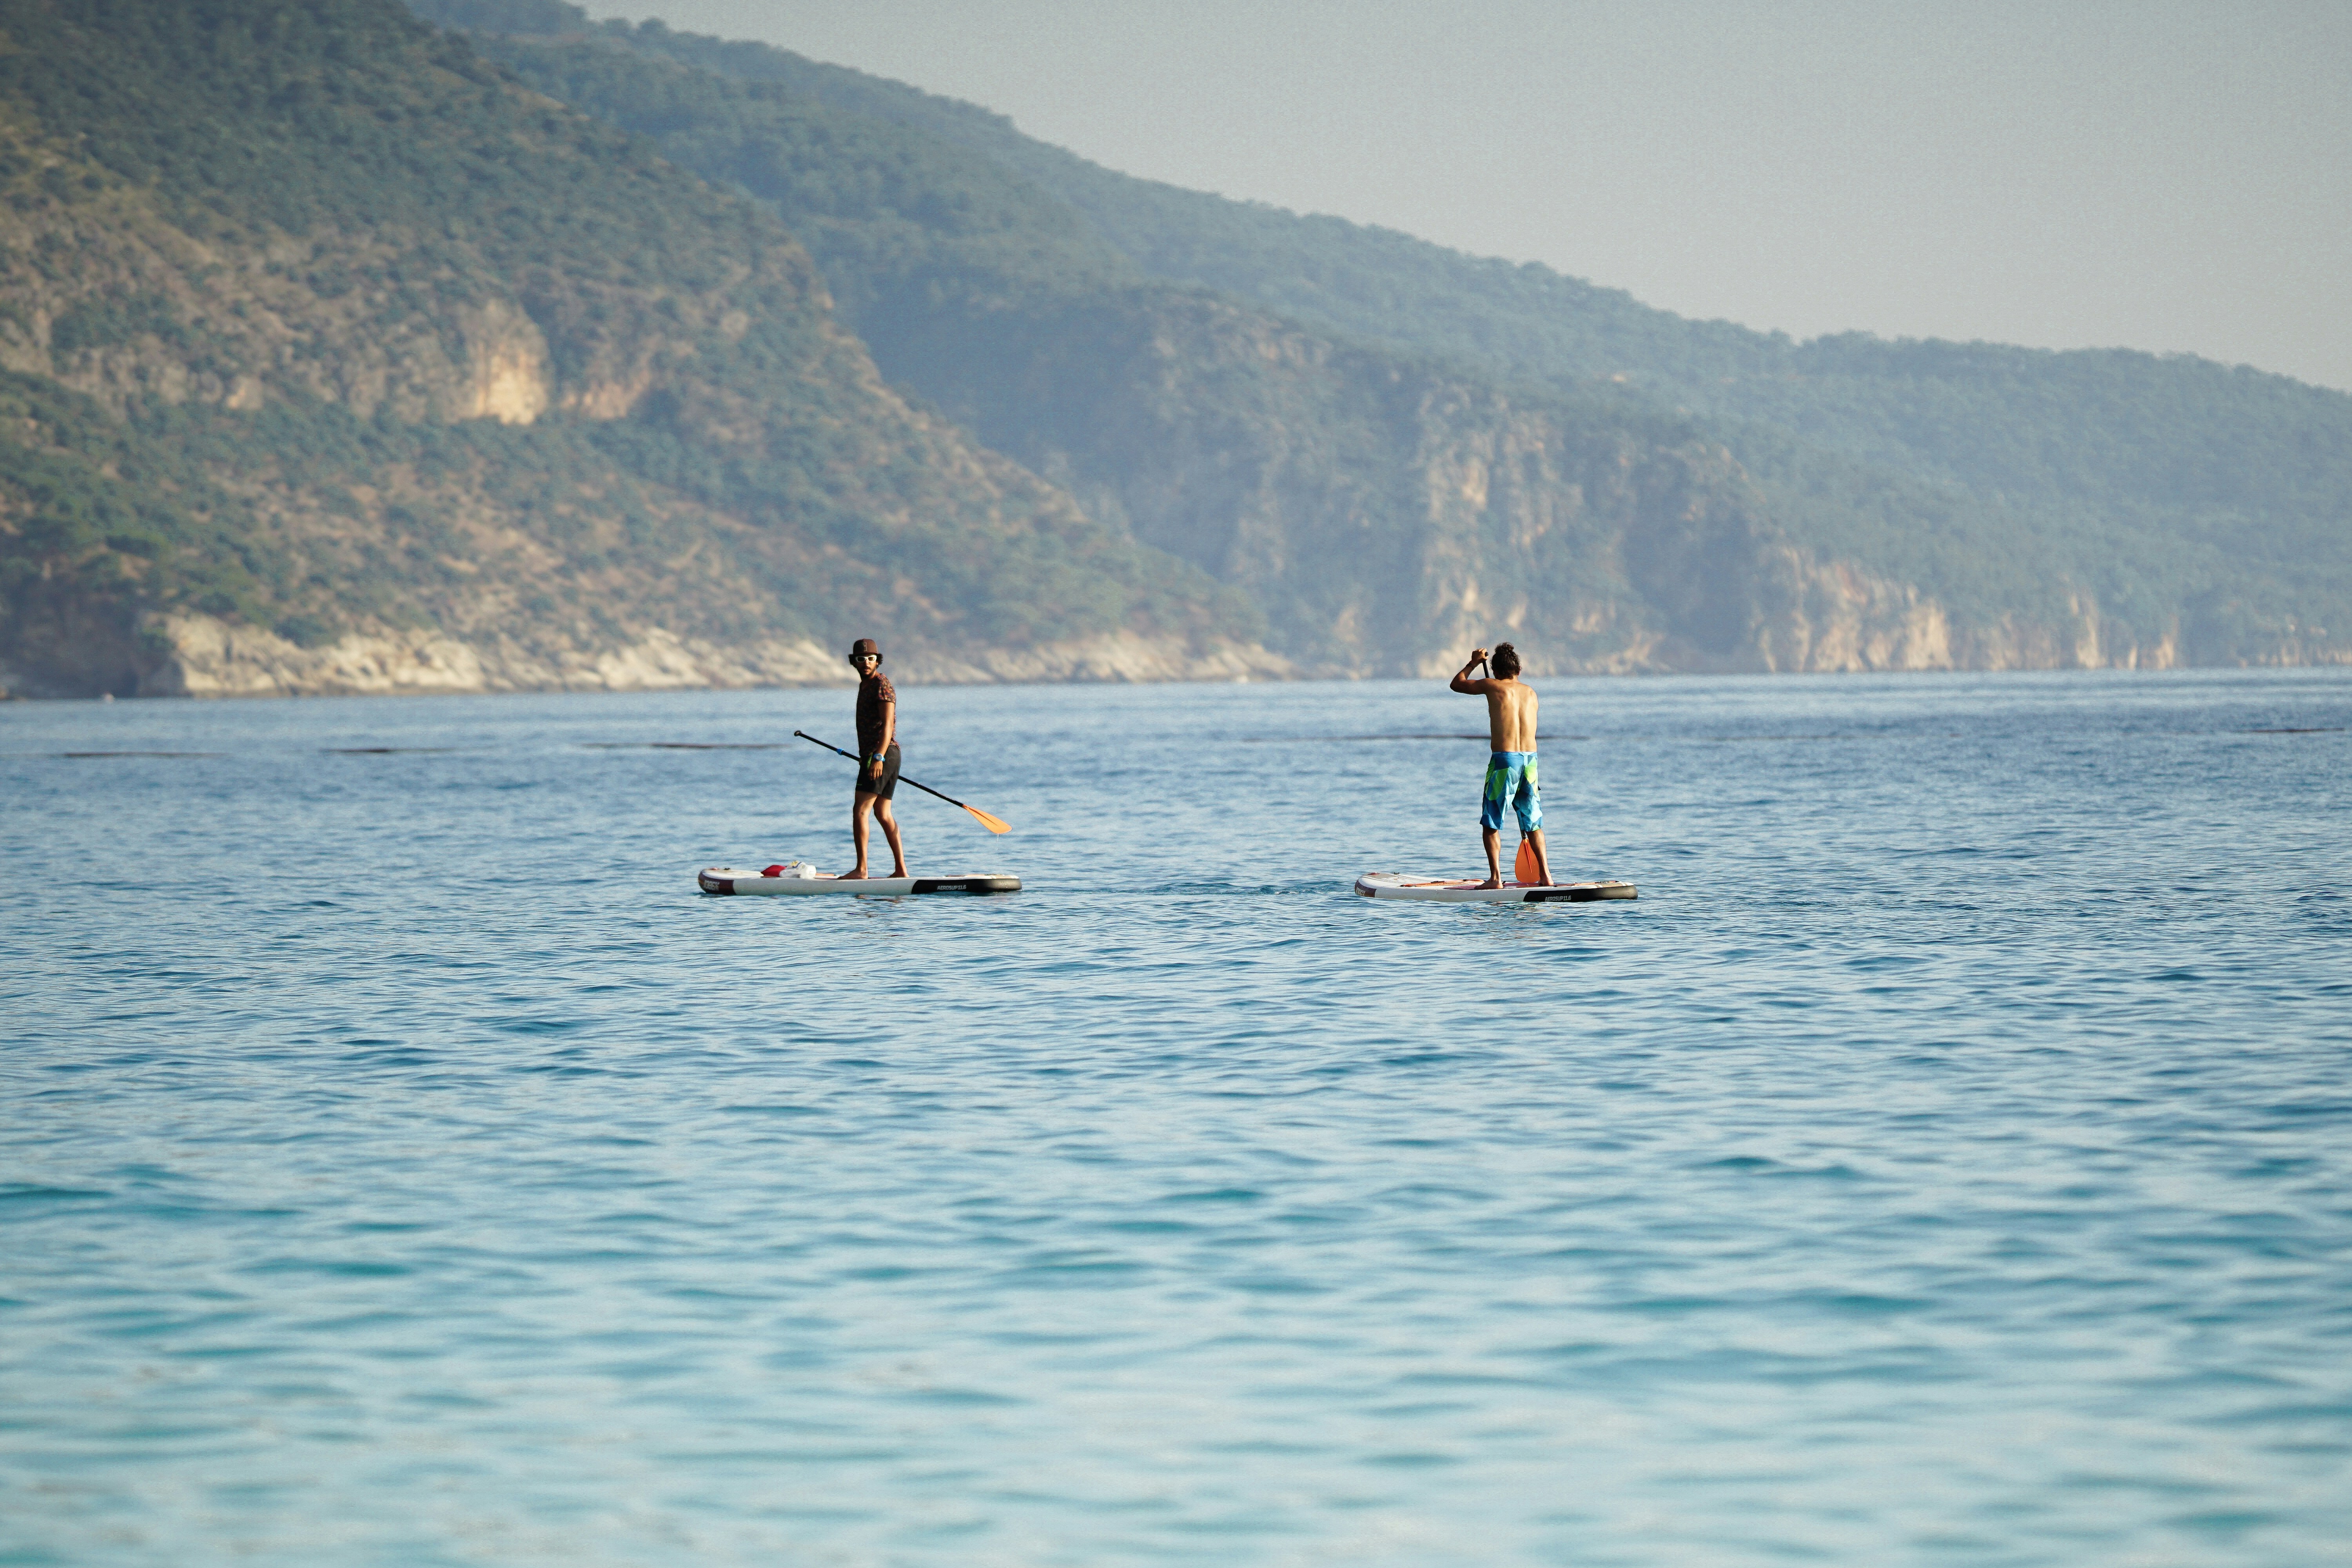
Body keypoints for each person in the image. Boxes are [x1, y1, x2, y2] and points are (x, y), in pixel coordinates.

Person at [1450, 642, 1551, 888]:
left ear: (1495, 671)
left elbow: (1457, 684)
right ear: (1518, 669)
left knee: (1491, 822)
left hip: (1506, 761)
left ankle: (1496, 880)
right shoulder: (1531, 692)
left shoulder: (1492, 686)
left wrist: (1473, 663)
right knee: (1533, 821)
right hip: (1531, 762)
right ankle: (1546, 877)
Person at [843, 637, 910, 880]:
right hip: (880, 756)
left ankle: (862, 870)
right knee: (883, 813)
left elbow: (888, 726)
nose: (866, 663)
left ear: (877, 661)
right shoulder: (865, 686)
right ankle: (901, 871)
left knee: (860, 810)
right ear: (854, 663)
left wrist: (879, 757)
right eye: (861, 660)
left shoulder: (882, 684)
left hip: (883, 754)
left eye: (871, 659)